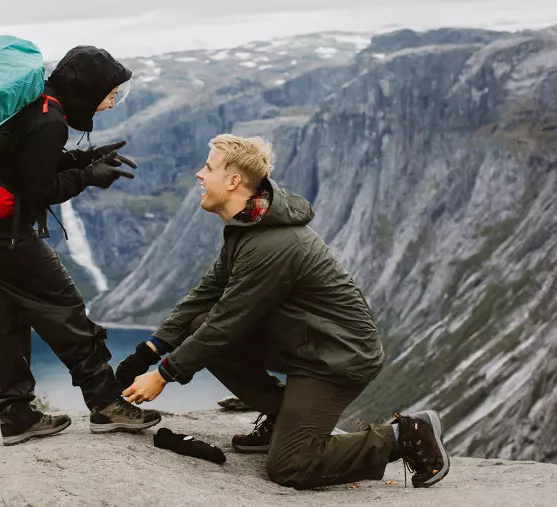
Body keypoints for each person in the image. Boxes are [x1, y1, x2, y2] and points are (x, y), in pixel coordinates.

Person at [114, 134, 449, 488]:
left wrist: (163, 374)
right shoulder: (248, 226)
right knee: (198, 322)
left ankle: (407, 435)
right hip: (307, 343)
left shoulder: (270, 245)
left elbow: (227, 323)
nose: (200, 174)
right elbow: (207, 292)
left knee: (290, 466)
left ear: (233, 181)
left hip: (337, 357)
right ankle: (282, 416)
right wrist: (149, 349)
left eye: (208, 167)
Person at [0, 45, 161, 446]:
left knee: (5, 319)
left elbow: (26, 161)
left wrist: (84, 158)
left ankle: (16, 415)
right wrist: (89, 177)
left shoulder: (39, 105)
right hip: (7, 237)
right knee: (64, 306)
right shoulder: (51, 120)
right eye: (110, 92)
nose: (112, 101)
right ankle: (105, 404)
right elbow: (37, 188)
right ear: (88, 88)